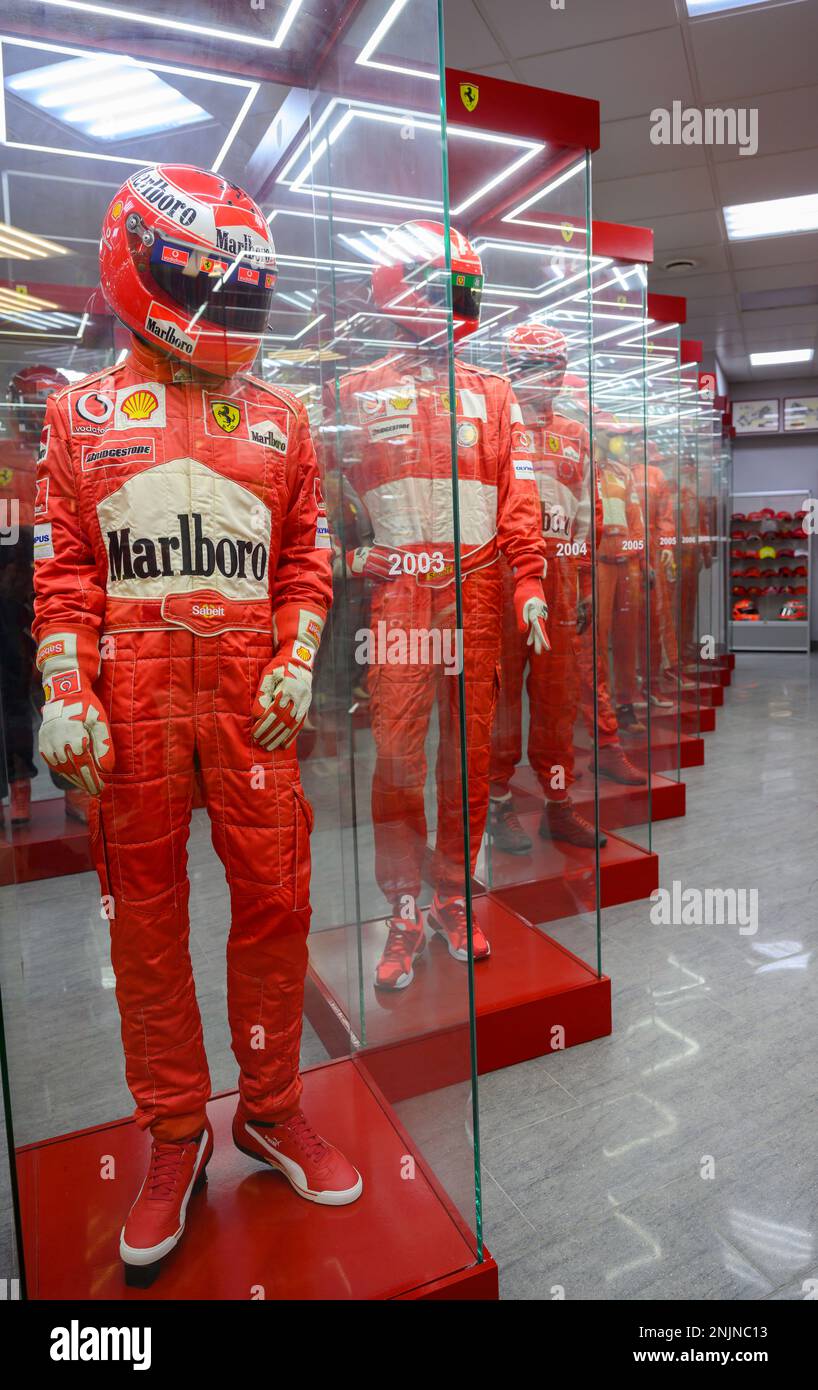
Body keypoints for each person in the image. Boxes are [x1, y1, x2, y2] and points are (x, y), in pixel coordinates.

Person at [32, 164, 361, 1273]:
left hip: (251, 705)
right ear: (142, 263)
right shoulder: (75, 414)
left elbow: (308, 559)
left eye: (240, 286)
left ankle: (267, 1106)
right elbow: (64, 571)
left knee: (275, 905)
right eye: (204, 283)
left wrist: (300, 656)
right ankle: (174, 1134)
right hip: (129, 707)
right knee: (145, 926)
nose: (226, 307)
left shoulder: (282, 416)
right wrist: (65, 689)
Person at [328, 222, 549, 990]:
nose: (461, 301)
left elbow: (520, 497)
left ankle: (455, 894)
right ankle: (402, 903)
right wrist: (354, 558)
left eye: (466, 287)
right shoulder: (353, 393)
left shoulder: (495, 393)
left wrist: (527, 582)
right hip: (400, 595)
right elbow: (320, 510)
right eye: (448, 286)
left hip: (480, 586)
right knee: (396, 754)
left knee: (469, 752)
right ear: (406, 287)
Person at [0, 367, 67, 825]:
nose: (37, 414)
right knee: (9, 689)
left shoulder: (77, 450)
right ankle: (18, 781)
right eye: (31, 403)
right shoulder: (4, 453)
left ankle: (74, 782)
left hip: (63, 582)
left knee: (64, 684)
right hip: (9, 582)